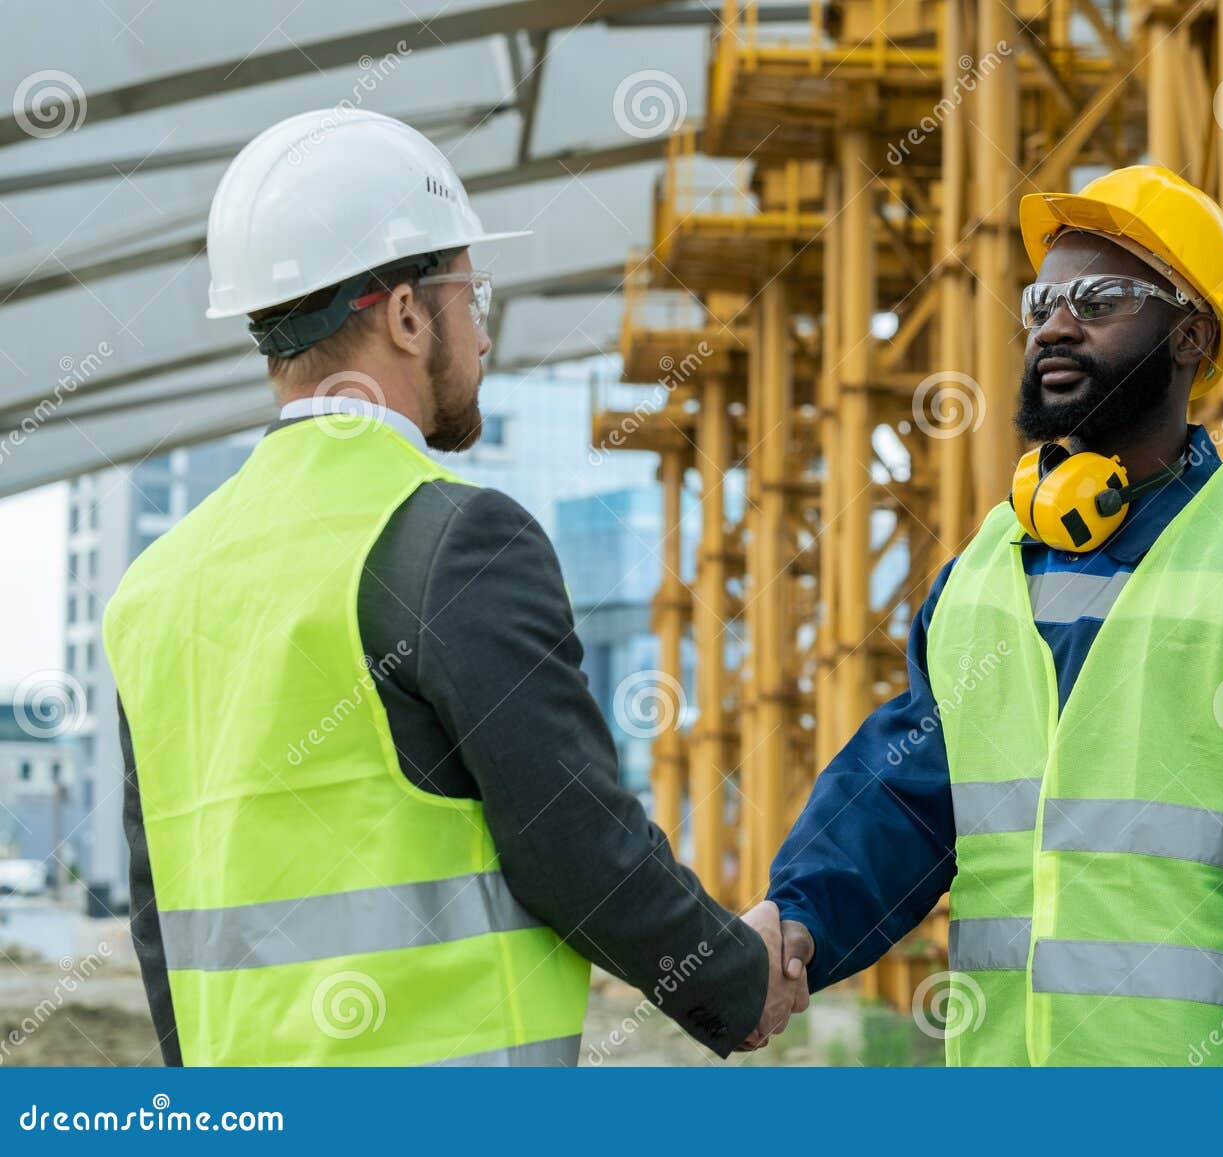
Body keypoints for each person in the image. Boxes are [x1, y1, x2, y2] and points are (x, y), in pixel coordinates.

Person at [103, 109, 804, 1066]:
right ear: (402, 314)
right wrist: (735, 976)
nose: (481, 332)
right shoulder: (455, 538)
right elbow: (574, 844)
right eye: (472, 295)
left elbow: (161, 925)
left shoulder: (154, 588)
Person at [763, 165, 1223, 1066]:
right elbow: (903, 795)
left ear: (1188, 333)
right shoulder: (982, 567)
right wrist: (795, 920)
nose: (1056, 323)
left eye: (1098, 297)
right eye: (1042, 299)